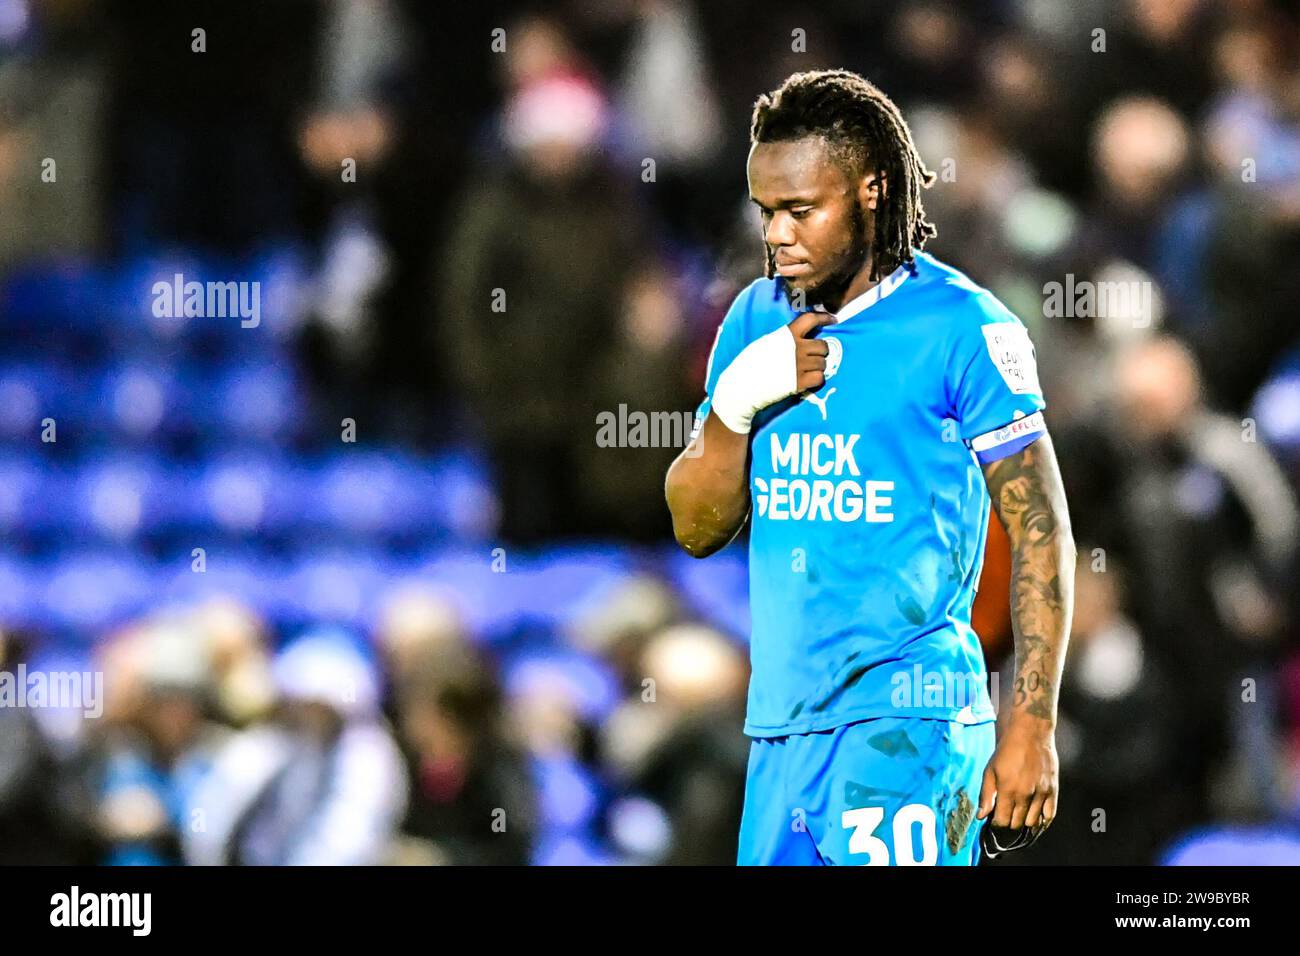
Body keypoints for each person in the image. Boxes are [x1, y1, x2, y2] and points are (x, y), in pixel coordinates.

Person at [664, 70, 1076, 865]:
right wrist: (733, 407)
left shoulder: (964, 327)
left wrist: (1030, 725)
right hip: (781, 726)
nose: (777, 235)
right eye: (765, 212)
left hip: (907, 724)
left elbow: (1041, 530)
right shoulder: (755, 318)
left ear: (873, 190)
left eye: (800, 210)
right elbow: (695, 526)